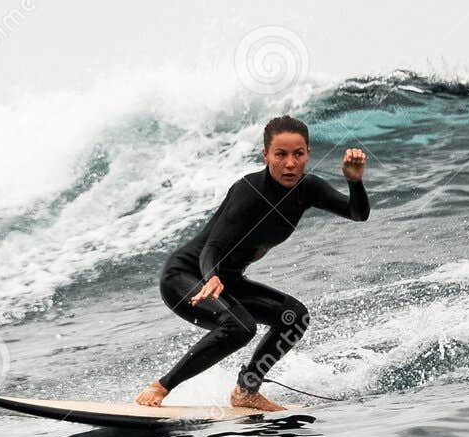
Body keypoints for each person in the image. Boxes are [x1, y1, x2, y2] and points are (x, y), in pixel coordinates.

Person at [136, 115, 370, 412]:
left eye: (298, 154)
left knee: (293, 316)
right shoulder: (249, 191)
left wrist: (355, 181)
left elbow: (357, 213)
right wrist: (212, 276)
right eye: (280, 154)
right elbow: (213, 246)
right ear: (266, 155)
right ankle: (161, 387)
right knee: (239, 327)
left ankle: (246, 390)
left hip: (227, 280)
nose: (290, 163)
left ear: (308, 153)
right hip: (185, 277)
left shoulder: (309, 188)